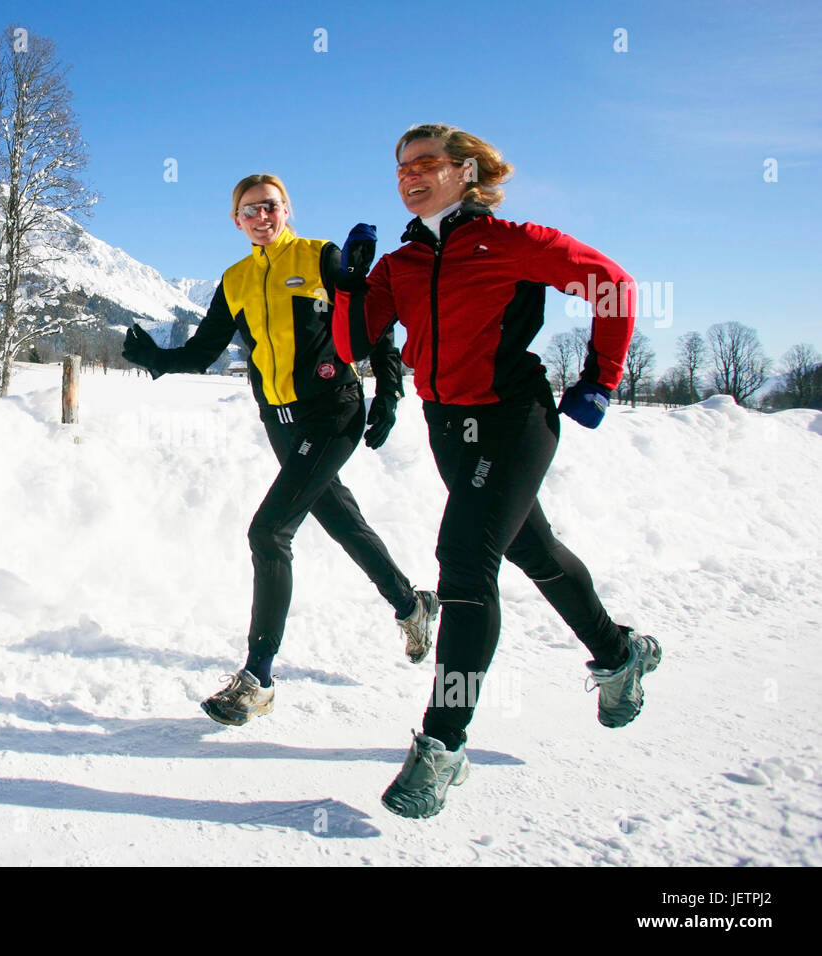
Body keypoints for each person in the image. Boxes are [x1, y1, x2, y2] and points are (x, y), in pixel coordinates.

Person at [332, 124, 661, 819]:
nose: (409, 176)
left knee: (463, 561)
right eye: (400, 168)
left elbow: (613, 285)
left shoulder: (513, 241)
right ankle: (618, 651)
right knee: (530, 549)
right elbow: (355, 343)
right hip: (447, 426)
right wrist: (349, 285)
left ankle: (444, 745)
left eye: (425, 163)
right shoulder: (399, 265)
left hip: (514, 419)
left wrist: (602, 377)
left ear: (466, 171)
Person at [122, 173, 437, 726]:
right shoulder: (236, 279)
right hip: (281, 422)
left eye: (270, 206)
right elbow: (202, 352)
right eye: (249, 210)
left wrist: (389, 392)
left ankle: (258, 679)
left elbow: (370, 319)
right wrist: (157, 358)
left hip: (333, 409)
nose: (261, 217)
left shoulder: (320, 257)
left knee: (269, 531)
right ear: (236, 220)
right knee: (340, 519)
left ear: (287, 209)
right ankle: (411, 604)